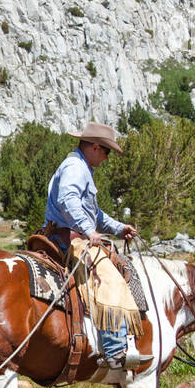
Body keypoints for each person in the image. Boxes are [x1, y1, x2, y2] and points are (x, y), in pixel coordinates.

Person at [42, 122, 150, 370]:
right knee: (108, 277)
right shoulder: (75, 167)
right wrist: (89, 231)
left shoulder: (82, 168)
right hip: (69, 237)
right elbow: (67, 200)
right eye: (106, 151)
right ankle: (114, 351)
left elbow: (94, 212)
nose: (107, 157)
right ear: (94, 147)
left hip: (73, 233)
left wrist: (118, 227)